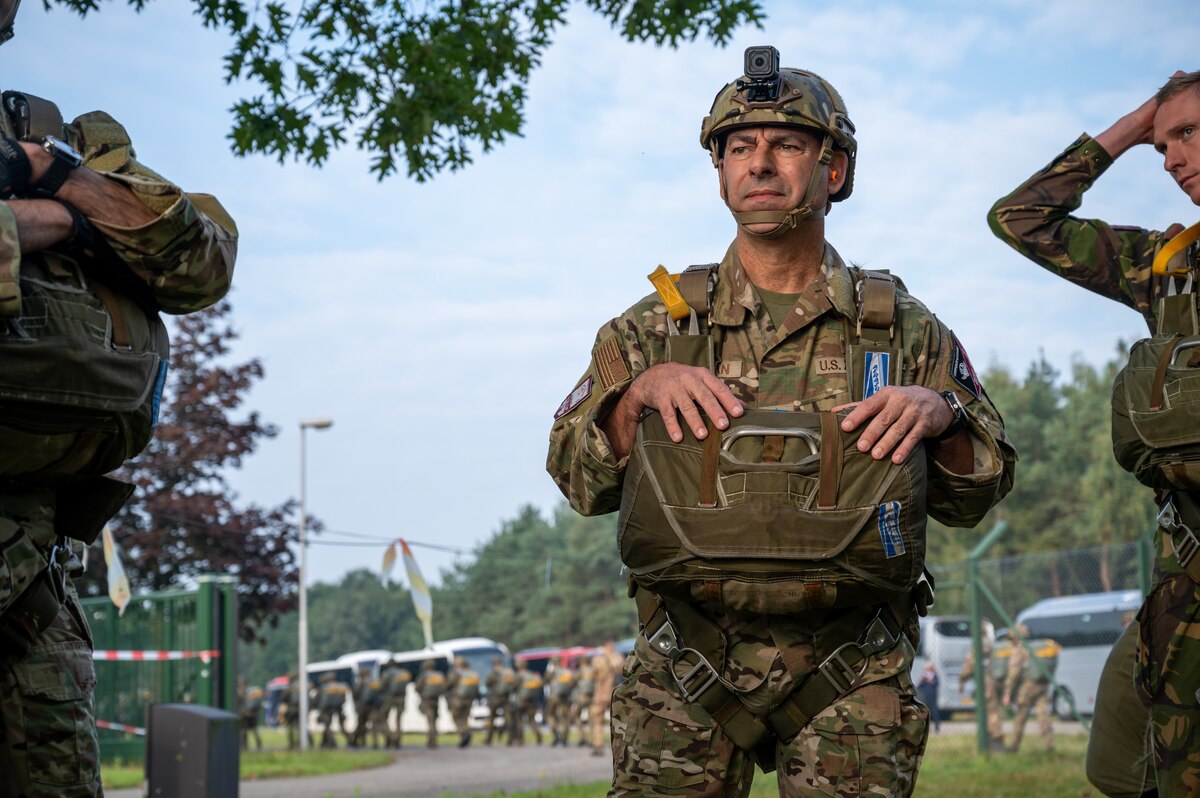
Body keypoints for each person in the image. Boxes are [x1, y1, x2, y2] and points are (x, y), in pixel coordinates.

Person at [547, 44, 1015, 794]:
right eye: (740, 147)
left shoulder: (903, 332)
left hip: (853, 666)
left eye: (786, 144)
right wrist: (633, 398)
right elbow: (576, 477)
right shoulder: (649, 330)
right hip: (684, 664)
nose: (759, 164)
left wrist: (944, 415)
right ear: (721, 169)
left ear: (833, 170)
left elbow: (979, 494)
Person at [0, 3, 237, 794]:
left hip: (31, 578)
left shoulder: (43, 137)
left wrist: (56, 183)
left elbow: (198, 264)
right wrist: (68, 225)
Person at [989, 70, 1200, 795]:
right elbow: (1022, 219)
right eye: (1162, 144)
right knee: (1124, 768)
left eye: (1189, 133)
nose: (1171, 158)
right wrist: (1133, 125)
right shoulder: (1168, 270)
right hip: (1188, 585)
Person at [1001, 624, 1059, 754]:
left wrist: (1007, 692)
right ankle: (1050, 744)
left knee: (1020, 717)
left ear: (1015, 638)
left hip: (1027, 687)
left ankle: (1014, 746)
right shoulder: (1036, 648)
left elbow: (1013, 673)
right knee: (1043, 716)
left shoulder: (1019, 650)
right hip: (1042, 686)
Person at [958, 638, 1007, 752]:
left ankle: (995, 736)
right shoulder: (993, 649)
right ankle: (992, 736)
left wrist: (961, 682)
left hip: (985, 686)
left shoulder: (975, 652)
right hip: (997, 683)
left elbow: (967, 670)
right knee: (992, 711)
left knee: (990, 712)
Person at [587, 642, 623, 758]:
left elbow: (591, 676)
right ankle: (621, 746)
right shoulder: (619, 658)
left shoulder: (597, 659)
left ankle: (598, 745)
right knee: (619, 721)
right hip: (614, 694)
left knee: (597, 720)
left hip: (600, 694)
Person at [447, 656, 481, 748]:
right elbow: (477, 688)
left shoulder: (455, 673)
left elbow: (449, 684)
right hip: (469, 699)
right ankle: (466, 732)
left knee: (456, 718)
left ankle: (463, 733)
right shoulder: (473, 673)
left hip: (458, 699)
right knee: (465, 718)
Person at [508, 663, 544, 746]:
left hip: (521, 700)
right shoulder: (532, 675)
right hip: (531, 700)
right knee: (531, 720)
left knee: (519, 720)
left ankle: (520, 739)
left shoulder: (519, 676)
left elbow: (514, 687)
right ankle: (538, 735)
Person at [380, 658, 412, 749]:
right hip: (401, 698)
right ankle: (397, 739)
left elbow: (382, 685)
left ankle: (389, 737)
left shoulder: (387, 673)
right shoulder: (404, 673)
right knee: (398, 719)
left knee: (383, 717)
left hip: (390, 697)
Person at [415, 659, 447, 749]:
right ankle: (434, 740)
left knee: (430, 721)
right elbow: (444, 687)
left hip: (427, 700)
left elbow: (417, 687)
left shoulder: (424, 675)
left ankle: (431, 742)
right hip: (436, 700)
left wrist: (422, 694)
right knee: (434, 720)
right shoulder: (439, 675)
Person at [484, 656, 516, 745]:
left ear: (494, 664)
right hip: (506, 698)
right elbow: (513, 684)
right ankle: (510, 738)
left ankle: (489, 739)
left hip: (495, 698)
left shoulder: (494, 673)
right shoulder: (508, 673)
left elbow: (488, 684)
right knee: (508, 718)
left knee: (492, 718)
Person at [545, 661, 577, 746]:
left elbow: (545, 680)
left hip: (554, 697)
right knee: (565, 717)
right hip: (566, 697)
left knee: (550, 715)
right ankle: (564, 738)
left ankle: (555, 735)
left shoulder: (552, 672)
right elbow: (573, 683)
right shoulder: (568, 672)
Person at [317, 671, 351, 748]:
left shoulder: (324, 688)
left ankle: (331, 742)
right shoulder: (341, 687)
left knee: (327, 726)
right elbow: (344, 698)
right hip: (339, 708)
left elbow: (318, 699)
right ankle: (350, 740)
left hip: (327, 709)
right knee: (342, 726)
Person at [569, 663, 596, 747]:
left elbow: (571, 683)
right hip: (592, 697)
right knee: (592, 718)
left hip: (581, 697)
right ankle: (593, 740)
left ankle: (582, 737)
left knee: (576, 716)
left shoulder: (579, 672)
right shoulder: (593, 671)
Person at [239, 681, 265, 751]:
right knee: (253, 731)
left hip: (246, 715)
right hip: (253, 716)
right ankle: (257, 744)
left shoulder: (244, 694)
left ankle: (244, 745)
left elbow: (241, 705)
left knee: (245, 731)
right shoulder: (255, 694)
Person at [916, 663, 941, 734]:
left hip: (933, 697)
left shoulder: (935, 675)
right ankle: (926, 728)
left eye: (929, 668)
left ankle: (937, 728)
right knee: (926, 712)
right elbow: (919, 687)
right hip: (925, 697)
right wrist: (921, 680)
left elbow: (936, 683)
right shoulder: (924, 676)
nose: (927, 669)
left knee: (934, 712)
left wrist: (931, 681)